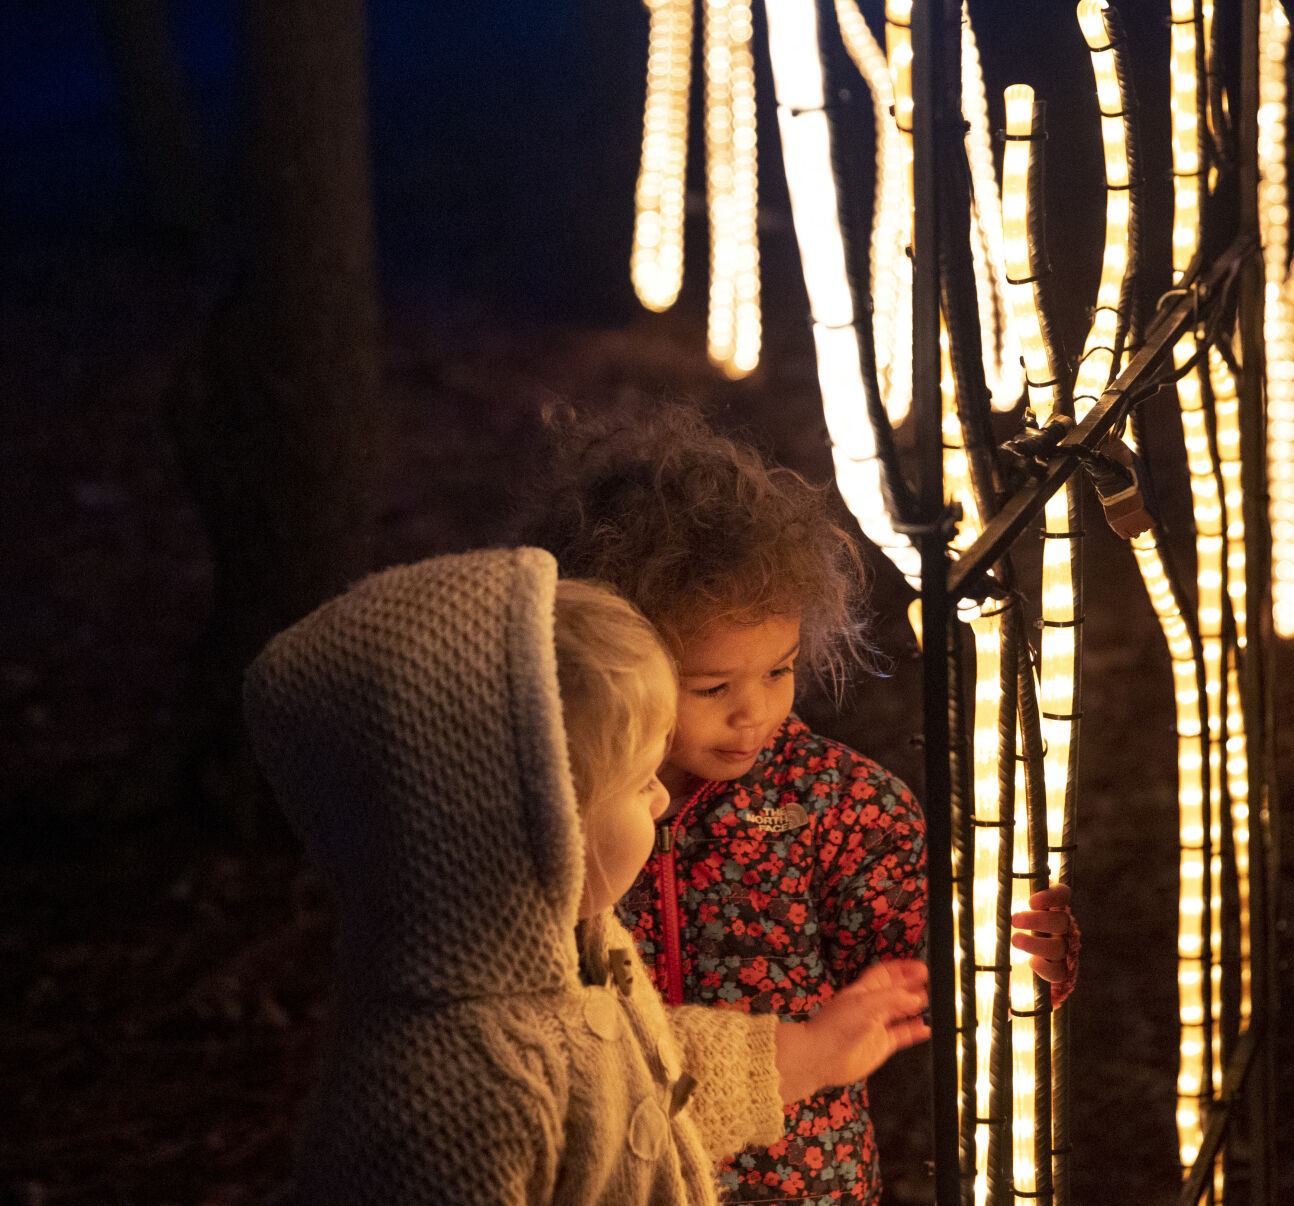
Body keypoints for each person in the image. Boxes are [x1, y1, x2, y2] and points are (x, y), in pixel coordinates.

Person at [243, 547, 931, 1206]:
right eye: (638, 784)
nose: (663, 801)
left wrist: (807, 1053)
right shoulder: (444, 1095)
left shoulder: (572, 960)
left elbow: (635, 1081)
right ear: (523, 826)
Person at [519, 409, 1080, 1206]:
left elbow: (915, 956)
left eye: (778, 671)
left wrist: (1011, 948)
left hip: (804, 1183)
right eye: (711, 687)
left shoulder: (834, 801)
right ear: (612, 658)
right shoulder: (560, 808)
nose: (754, 714)